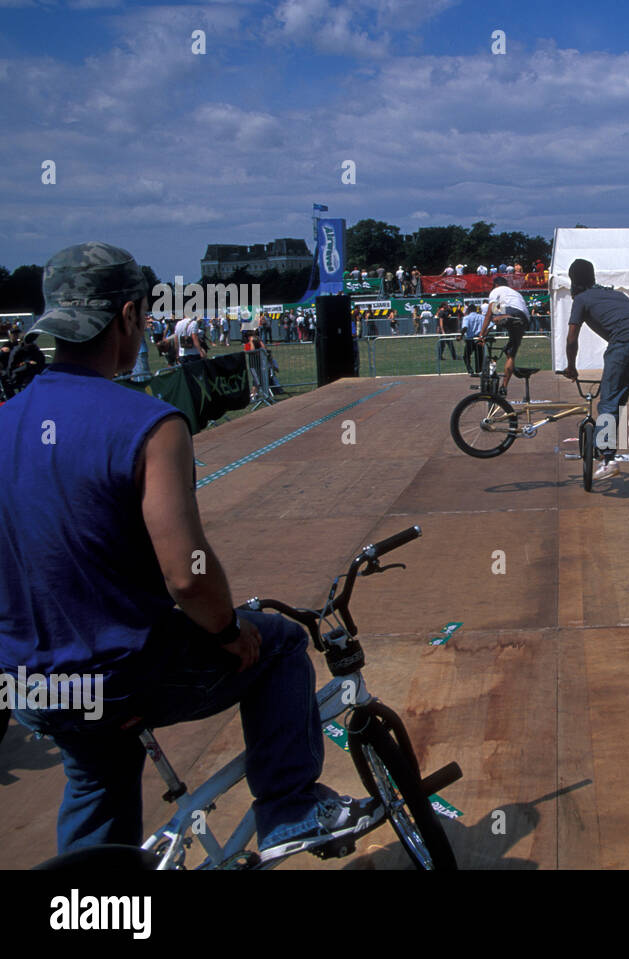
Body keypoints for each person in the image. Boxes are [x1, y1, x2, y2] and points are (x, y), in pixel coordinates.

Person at [0, 242, 380, 859]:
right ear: (126, 317)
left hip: (33, 687)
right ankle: (289, 806)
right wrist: (229, 630)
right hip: (124, 671)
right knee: (280, 646)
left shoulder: (7, 418)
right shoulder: (149, 422)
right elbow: (187, 575)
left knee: (96, 775)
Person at [559, 258, 629, 481]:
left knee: (609, 400)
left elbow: (572, 338)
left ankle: (608, 459)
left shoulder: (581, 299)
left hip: (625, 339)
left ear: (573, 281)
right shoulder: (614, 294)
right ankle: (606, 445)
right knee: (619, 397)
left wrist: (571, 367)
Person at [479, 276, 530, 394]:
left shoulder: (496, 291)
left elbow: (488, 314)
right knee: (511, 355)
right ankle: (504, 386)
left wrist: (481, 334)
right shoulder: (515, 293)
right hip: (524, 319)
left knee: (494, 314)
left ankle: (507, 318)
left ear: (495, 285)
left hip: (509, 311)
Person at [461, 301, 486, 374]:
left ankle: (470, 369)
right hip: (479, 338)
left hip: (470, 339)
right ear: (476, 310)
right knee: (479, 356)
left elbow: (465, 327)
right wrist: (483, 335)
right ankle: (479, 370)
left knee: (466, 355)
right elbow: (490, 325)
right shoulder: (482, 317)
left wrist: (461, 335)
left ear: (468, 310)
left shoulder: (466, 318)